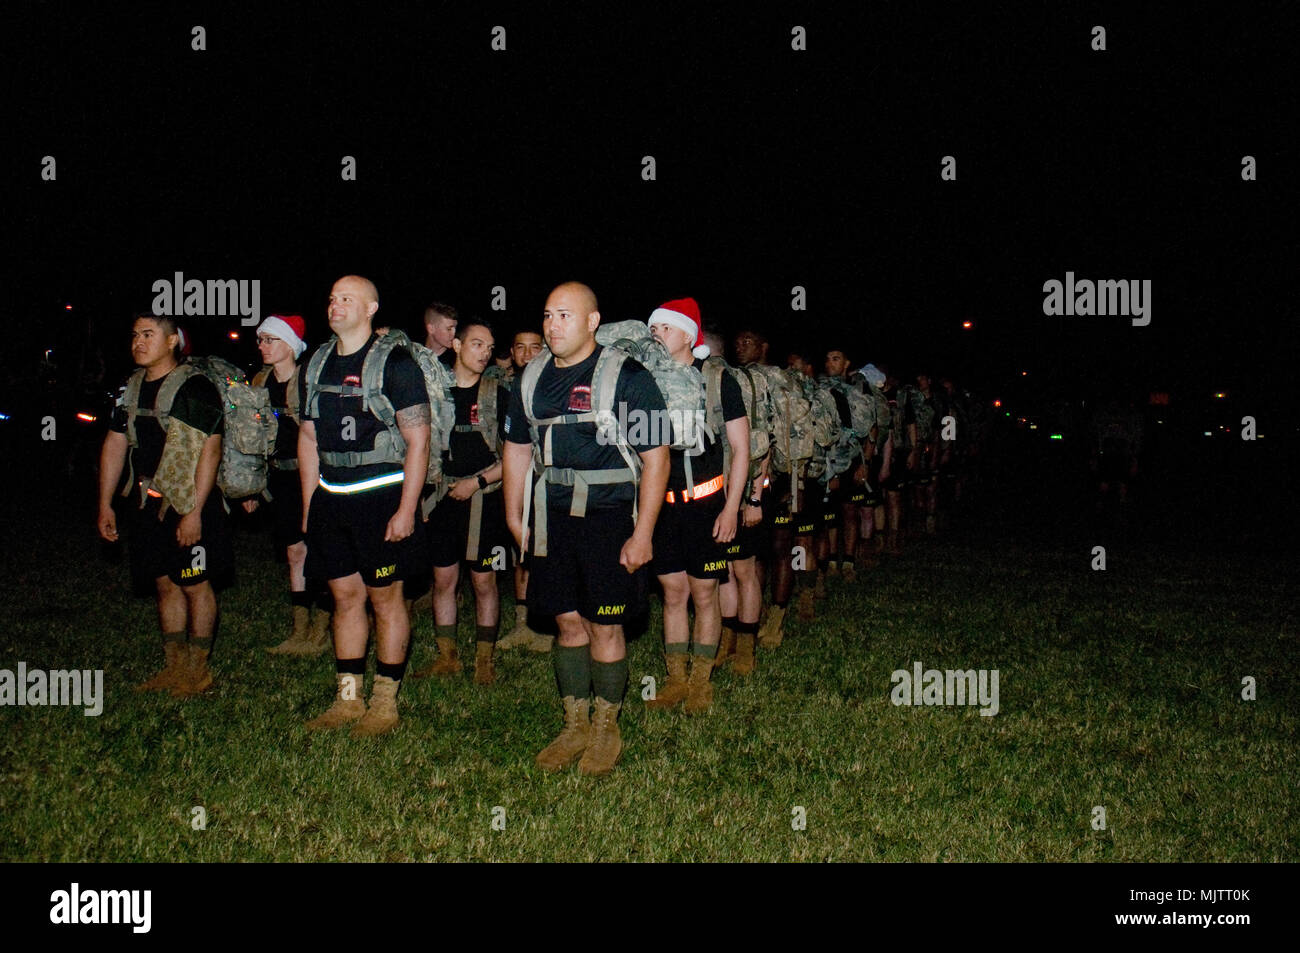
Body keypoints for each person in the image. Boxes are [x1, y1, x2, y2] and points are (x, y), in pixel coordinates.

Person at [503, 281, 670, 776]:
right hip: (550, 515)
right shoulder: (530, 377)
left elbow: (656, 457)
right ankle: (574, 722)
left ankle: (605, 726)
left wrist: (643, 535)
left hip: (611, 516)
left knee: (605, 622)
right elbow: (515, 448)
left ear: (593, 321)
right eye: (548, 315)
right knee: (566, 621)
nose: (552, 325)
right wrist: (515, 517)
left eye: (565, 316)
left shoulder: (628, 376)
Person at [298, 276, 431, 736]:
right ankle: (348, 699)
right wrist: (308, 504)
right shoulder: (314, 363)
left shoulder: (395, 364)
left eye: (346, 298)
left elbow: (419, 440)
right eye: (332, 297)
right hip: (332, 497)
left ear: (371, 307)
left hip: (381, 496)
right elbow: (308, 436)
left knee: (386, 599)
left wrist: (406, 509)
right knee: (344, 598)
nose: (335, 305)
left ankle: (384, 701)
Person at [97, 313, 233, 697]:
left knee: (195, 585)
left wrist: (193, 513)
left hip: (191, 500)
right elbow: (115, 444)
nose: (138, 342)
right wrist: (105, 503)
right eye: (135, 334)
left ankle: (198, 668)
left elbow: (210, 451)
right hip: (145, 501)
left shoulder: (195, 387)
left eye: (149, 334)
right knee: (163, 584)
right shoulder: (131, 388)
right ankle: (174, 666)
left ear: (173, 340)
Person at [644, 301, 749, 714]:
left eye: (666, 329)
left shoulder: (719, 380)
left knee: (705, 593)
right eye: (653, 329)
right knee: (672, 592)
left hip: (706, 502)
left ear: (689, 335)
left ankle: (701, 682)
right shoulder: (647, 382)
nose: (657, 335)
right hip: (663, 506)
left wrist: (732, 507)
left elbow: (740, 450)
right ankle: (675, 679)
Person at [411, 319, 510, 685]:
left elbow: (516, 457)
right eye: (476, 344)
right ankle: (447, 657)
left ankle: (484, 660)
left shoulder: (498, 394)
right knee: (443, 580)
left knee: (484, 581)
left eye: (489, 346)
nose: (484, 352)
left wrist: (477, 481)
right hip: (441, 499)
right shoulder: (433, 392)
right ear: (455, 344)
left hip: (485, 499)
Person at [246, 315, 332, 656]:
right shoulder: (259, 381)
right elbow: (248, 436)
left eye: (270, 340)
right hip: (279, 476)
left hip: (311, 475)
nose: (263, 346)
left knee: (321, 549)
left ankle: (322, 628)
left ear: (289, 345)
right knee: (294, 550)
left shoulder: (309, 380)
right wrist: (251, 485)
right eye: (261, 340)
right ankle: (300, 628)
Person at [497, 329, 550, 652]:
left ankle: (548, 624)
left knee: (547, 550)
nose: (528, 355)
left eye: (535, 348)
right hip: (516, 478)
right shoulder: (505, 387)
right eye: (521, 348)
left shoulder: (551, 384)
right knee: (522, 549)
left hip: (549, 479)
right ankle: (522, 624)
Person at [423, 302, 459, 367]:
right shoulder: (414, 355)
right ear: (431, 329)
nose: (454, 333)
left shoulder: (457, 361)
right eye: (449, 329)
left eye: (455, 328)